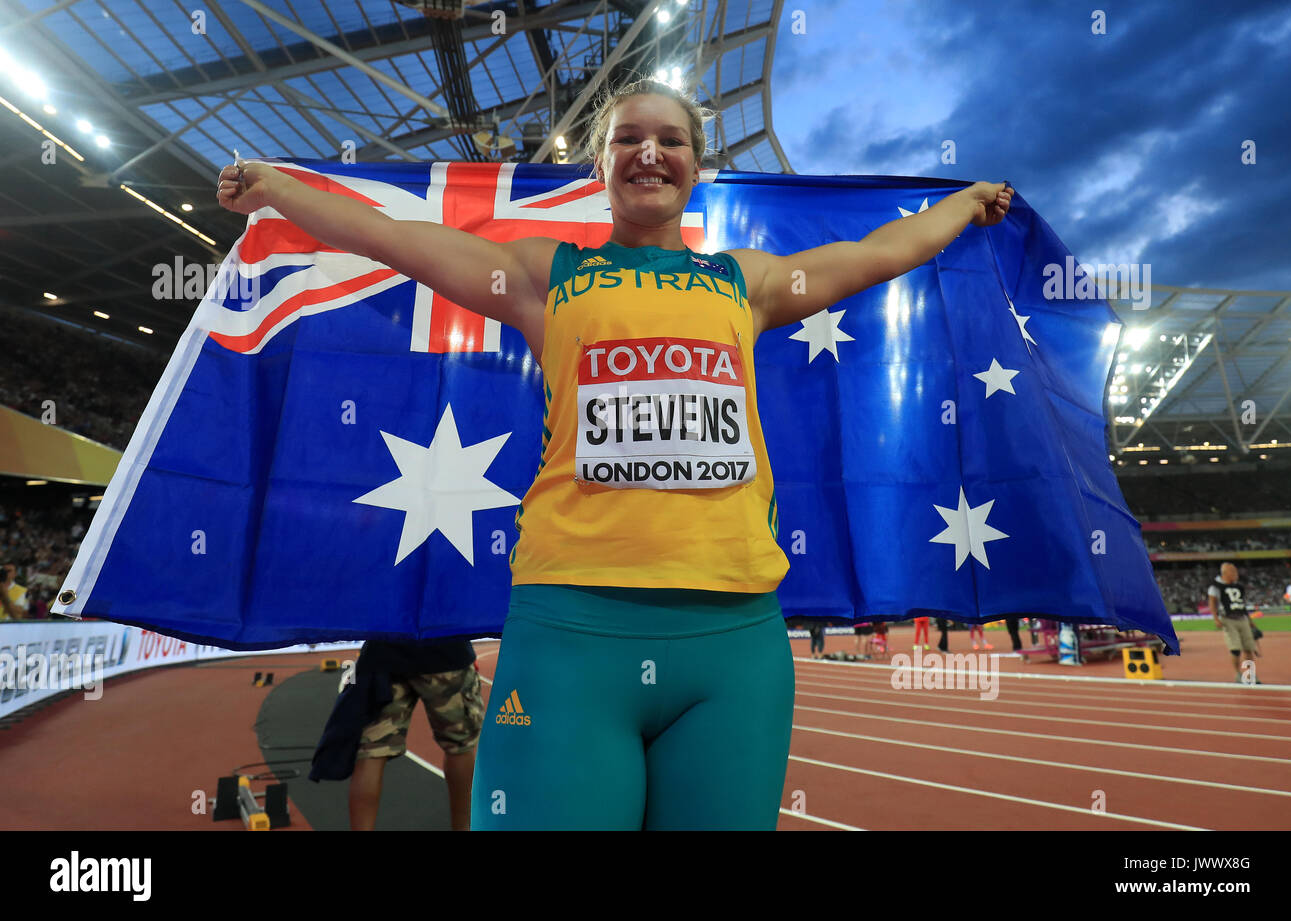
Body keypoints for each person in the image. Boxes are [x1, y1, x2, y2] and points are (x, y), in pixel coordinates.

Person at [218, 75, 1013, 830]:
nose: (649, 152)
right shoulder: (545, 275)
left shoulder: (750, 283)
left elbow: (881, 252)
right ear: (601, 166)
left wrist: (964, 203)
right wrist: (278, 192)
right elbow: (394, 238)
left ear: (696, 166)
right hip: (571, 631)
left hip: (732, 643)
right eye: (627, 139)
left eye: (670, 139)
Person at [309, 638, 484, 831]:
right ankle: (464, 827)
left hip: (384, 653)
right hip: (445, 650)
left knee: (372, 751)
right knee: (461, 745)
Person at [1207, 562, 1258, 683]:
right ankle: (1238, 674)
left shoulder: (1238, 586)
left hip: (1242, 618)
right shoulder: (1215, 586)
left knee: (1249, 648)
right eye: (1233, 572)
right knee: (1235, 649)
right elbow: (1212, 602)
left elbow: (1242, 604)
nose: (1236, 574)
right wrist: (1215, 618)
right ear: (1225, 573)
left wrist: (1250, 620)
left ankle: (1249, 675)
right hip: (1228, 619)